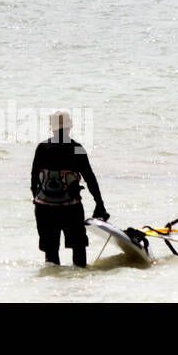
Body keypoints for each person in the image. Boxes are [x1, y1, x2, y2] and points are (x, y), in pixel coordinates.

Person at [31, 111, 107, 268]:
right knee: (79, 251)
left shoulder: (42, 148)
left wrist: (37, 201)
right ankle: (78, 285)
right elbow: (89, 177)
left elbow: (34, 180)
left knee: (51, 254)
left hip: (45, 209)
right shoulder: (77, 148)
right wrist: (99, 203)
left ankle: (53, 286)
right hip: (70, 209)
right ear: (69, 127)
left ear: (51, 128)